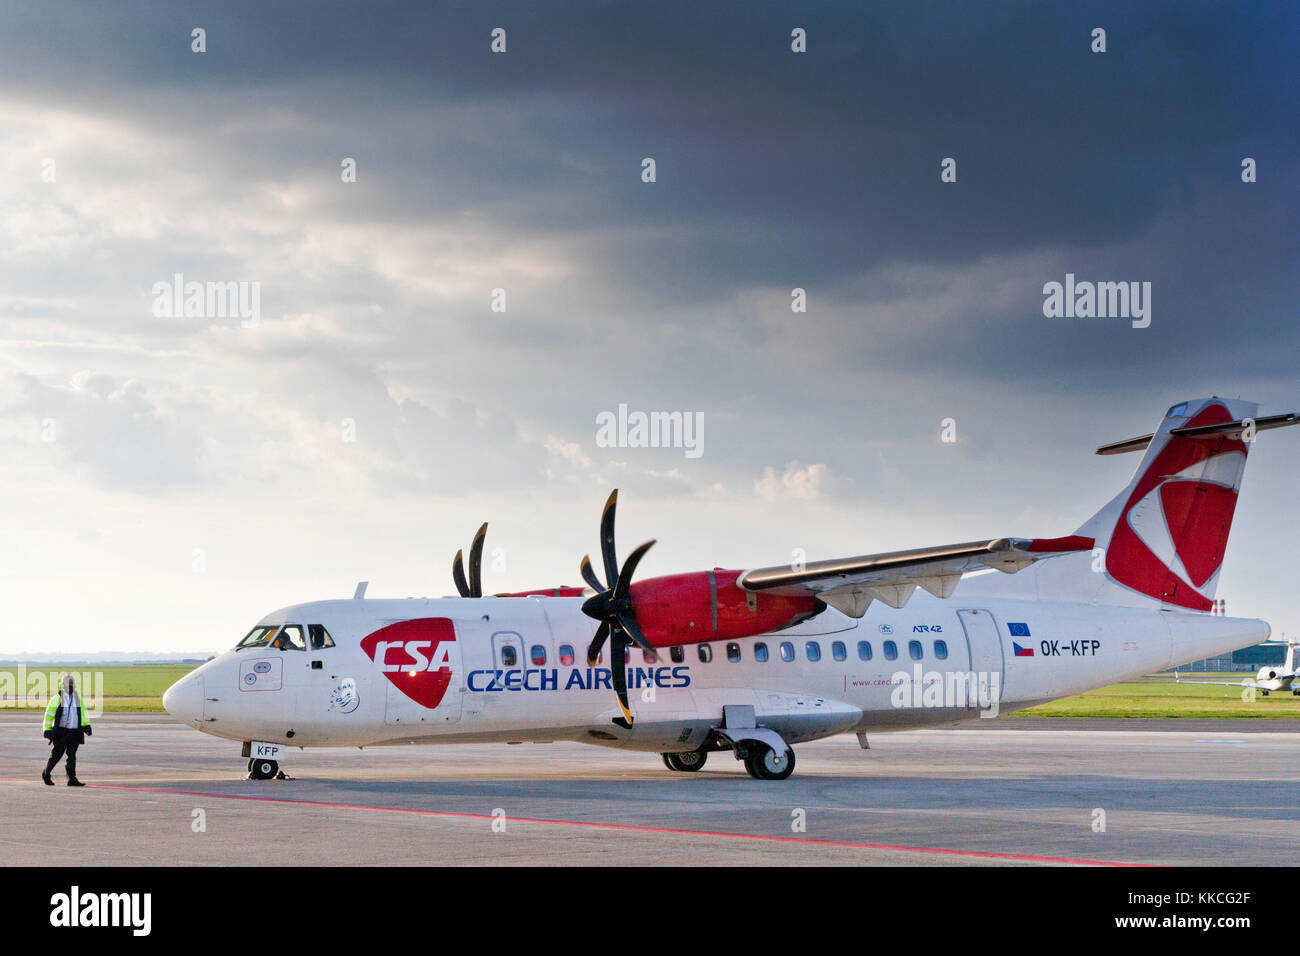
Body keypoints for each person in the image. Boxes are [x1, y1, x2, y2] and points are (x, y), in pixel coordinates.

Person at [42, 674, 92, 786]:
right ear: (62, 684)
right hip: (61, 732)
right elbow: (49, 715)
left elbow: (83, 713)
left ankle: (72, 778)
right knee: (56, 755)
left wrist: (87, 726)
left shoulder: (78, 698)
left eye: (72, 683)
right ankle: (46, 773)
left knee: (72, 756)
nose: (70, 685)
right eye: (68, 683)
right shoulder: (57, 699)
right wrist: (47, 729)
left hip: (75, 732)